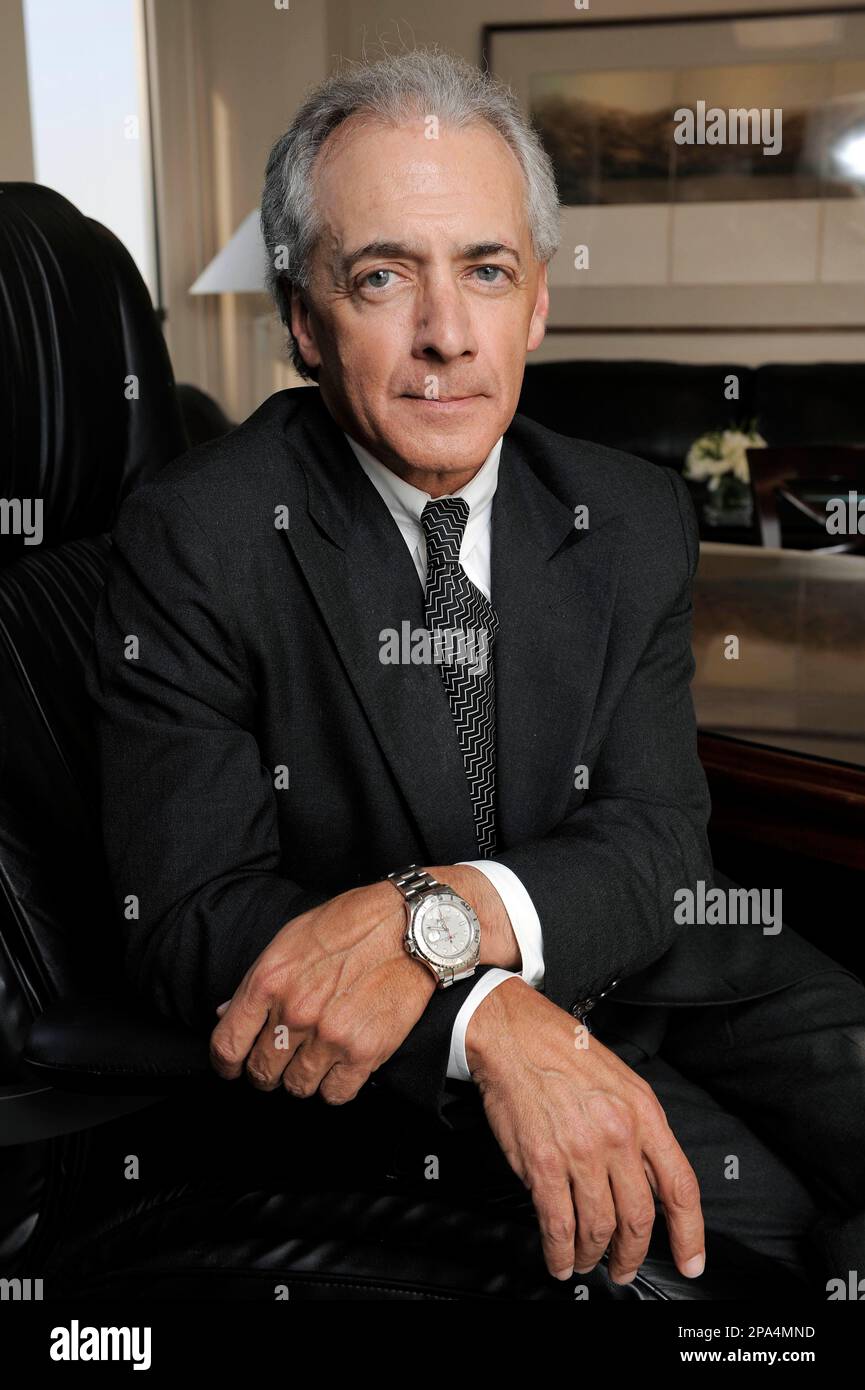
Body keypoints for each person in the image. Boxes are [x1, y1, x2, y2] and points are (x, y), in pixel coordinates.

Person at [86, 49, 865, 1295]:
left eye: (486, 271)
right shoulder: (200, 534)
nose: (444, 335)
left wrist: (430, 917)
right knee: (756, 1259)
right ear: (302, 317)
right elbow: (188, 916)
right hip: (415, 1089)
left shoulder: (632, 512)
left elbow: (660, 834)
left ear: (538, 303)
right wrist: (480, 1014)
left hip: (673, 967)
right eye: (383, 276)